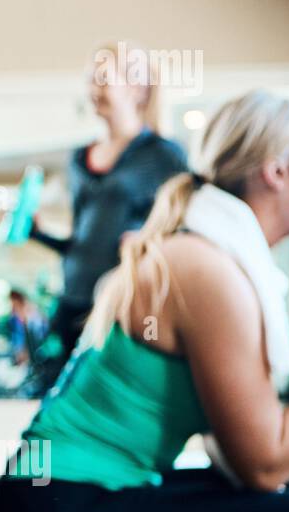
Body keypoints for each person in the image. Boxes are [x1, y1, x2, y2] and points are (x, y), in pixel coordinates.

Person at [0, 91, 289, 512]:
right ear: (277, 172)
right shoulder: (207, 270)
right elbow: (264, 460)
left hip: (59, 507)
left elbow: (256, 460)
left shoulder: (205, 254)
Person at [31, 43, 187, 373]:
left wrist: (146, 240)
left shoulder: (164, 156)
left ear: (137, 88)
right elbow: (79, 243)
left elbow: (182, 232)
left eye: (103, 79)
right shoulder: (78, 159)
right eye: (90, 79)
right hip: (72, 300)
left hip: (123, 302)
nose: (93, 89)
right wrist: (38, 234)